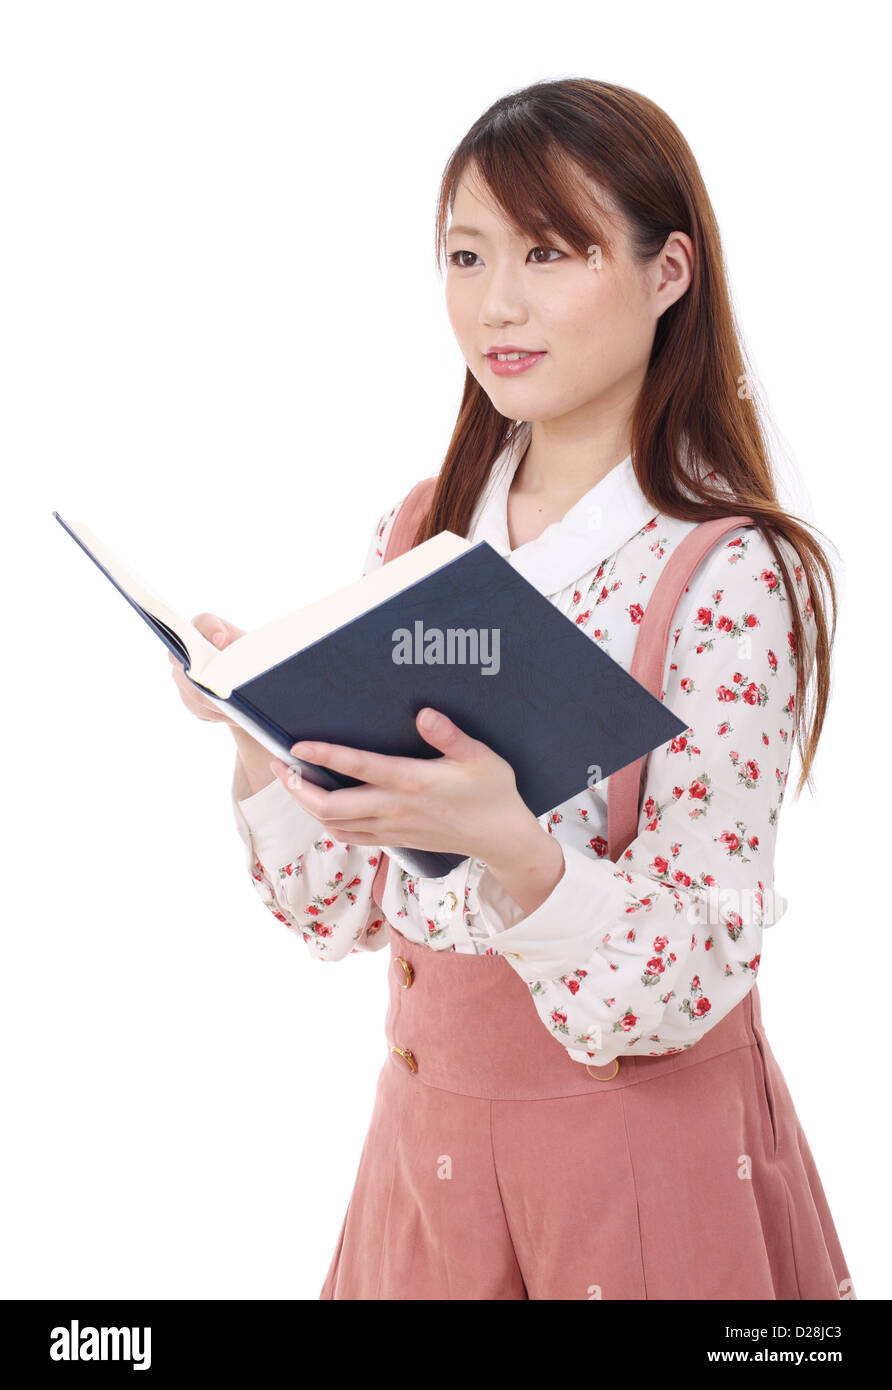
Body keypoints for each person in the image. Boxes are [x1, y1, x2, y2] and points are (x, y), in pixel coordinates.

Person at [170, 77, 855, 1301]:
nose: (496, 303)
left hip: (638, 1171)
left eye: (550, 250)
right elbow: (344, 916)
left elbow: (700, 963)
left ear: (668, 272)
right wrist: (254, 736)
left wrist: (515, 853)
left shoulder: (725, 570)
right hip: (425, 1171)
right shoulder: (418, 534)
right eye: (466, 254)